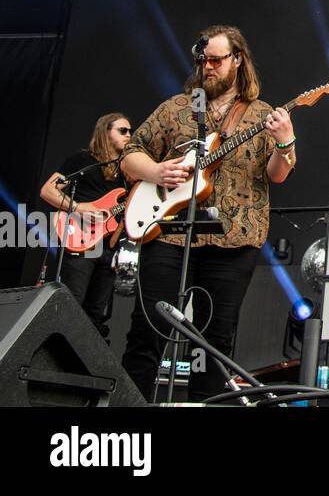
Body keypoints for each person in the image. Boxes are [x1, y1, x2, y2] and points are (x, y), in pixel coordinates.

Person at [118, 25, 297, 401]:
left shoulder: (262, 114)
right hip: (169, 233)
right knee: (147, 330)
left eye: (217, 60)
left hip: (234, 239)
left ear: (238, 59)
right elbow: (130, 154)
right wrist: (156, 171)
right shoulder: (176, 107)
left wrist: (286, 142)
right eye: (203, 60)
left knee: (213, 343)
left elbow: (277, 174)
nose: (208, 67)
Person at [40, 111, 132, 339]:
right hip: (81, 240)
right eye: (123, 130)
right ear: (105, 132)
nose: (128, 135)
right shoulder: (83, 160)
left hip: (110, 246)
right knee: (72, 302)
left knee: (95, 312)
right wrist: (79, 208)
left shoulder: (127, 173)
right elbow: (48, 190)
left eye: (130, 131)